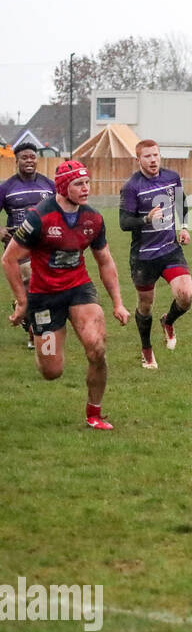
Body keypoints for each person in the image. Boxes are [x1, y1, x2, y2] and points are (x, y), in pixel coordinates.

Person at [3, 161, 130, 429]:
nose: (86, 189)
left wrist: (118, 303)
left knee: (96, 346)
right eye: (78, 184)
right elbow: (9, 259)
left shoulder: (93, 218)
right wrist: (22, 302)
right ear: (62, 187)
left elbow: (105, 261)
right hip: (45, 297)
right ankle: (43, 336)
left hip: (79, 290)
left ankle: (94, 413)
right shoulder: (39, 217)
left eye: (87, 183)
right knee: (52, 371)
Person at [119, 139, 192, 369]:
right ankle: (146, 350)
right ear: (138, 159)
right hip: (144, 256)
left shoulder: (172, 177)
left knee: (186, 296)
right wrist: (147, 219)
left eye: (156, 155)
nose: (153, 160)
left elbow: (182, 203)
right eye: (148, 156)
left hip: (170, 249)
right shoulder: (131, 186)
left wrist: (184, 227)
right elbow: (123, 222)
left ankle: (168, 321)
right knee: (145, 306)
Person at [0, 142, 54, 349]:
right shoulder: (6, 188)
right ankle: (35, 329)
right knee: (32, 283)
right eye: (25, 157)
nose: (29, 160)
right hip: (18, 245)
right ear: (17, 161)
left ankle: (31, 326)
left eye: (32, 156)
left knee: (42, 288)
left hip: (45, 244)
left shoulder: (49, 186)